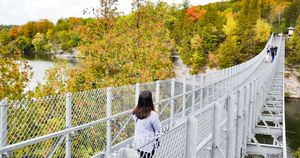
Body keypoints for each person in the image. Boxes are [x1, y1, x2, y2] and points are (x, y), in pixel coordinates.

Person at [132, 90, 162, 158]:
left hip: (138, 143)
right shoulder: (153, 115)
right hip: (148, 145)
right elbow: (159, 129)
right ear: (150, 101)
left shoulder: (135, 113)